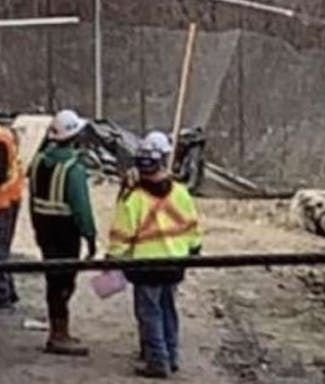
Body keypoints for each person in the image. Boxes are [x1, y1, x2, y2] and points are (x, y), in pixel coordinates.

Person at [109, 131, 202, 379]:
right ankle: (171, 357)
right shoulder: (180, 193)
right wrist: (194, 249)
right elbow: (192, 227)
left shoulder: (134, 198)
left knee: (149, 314)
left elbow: (122, 234)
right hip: (174, 263)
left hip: (145, 265)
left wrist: (114, 258)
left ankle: (157, 361)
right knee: (168, 310)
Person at [27, 109, 96, 355]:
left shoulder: (36, 162)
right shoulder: (73, 168)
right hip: (65, 231)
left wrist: (36, 228)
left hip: (44, 229)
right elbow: (82, 208)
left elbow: (32, 199)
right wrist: (91, 237)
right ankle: (59, 334)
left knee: (52, 280)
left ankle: (57, 330)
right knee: (64, 281)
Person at [0, 121, 25, 311]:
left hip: (3, 201)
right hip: (9, 198)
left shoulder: (1, 139)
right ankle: (8, 291)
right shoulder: (4, 135)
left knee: (1, 250)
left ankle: (3, 295)